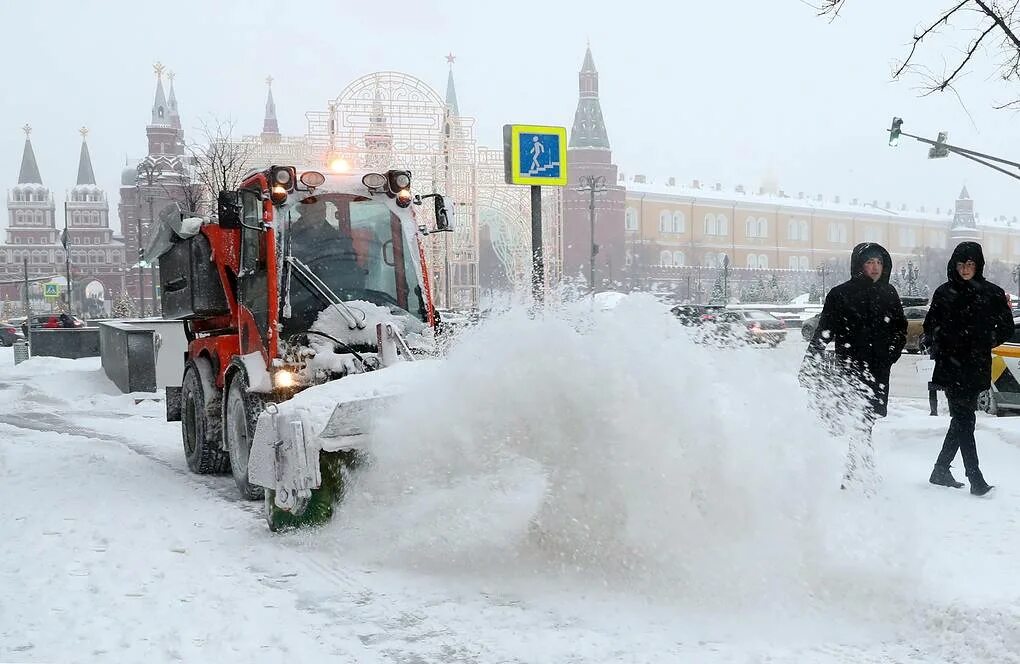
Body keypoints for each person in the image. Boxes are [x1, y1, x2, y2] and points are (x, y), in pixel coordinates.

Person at [801, 243, 907, 489]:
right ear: (859, 265)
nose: (875, 268)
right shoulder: (841, 294)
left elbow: (899, 328)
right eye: (870, 262)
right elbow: (824, 331)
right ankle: (859, 471)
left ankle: (856, 470)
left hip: (879, 368)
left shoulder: (889, 293)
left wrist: (892, 351)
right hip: (852, 366)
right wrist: (811, 361)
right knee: (861, 419)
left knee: (866, 420)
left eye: (879, 263)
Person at [924, 242, 1013, 496]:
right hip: (951, 365)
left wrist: (986, 341)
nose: (965, 269)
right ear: (954, 265)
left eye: (970, 264)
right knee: (966, 419)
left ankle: (940, 469)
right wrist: (944, 341)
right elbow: (931, 326)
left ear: (978, 265)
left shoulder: (992, 293)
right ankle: (975, 478)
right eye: (962, 264)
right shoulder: (944, 293)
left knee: (961, 420)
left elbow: (1006, 326)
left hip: (976, 365)